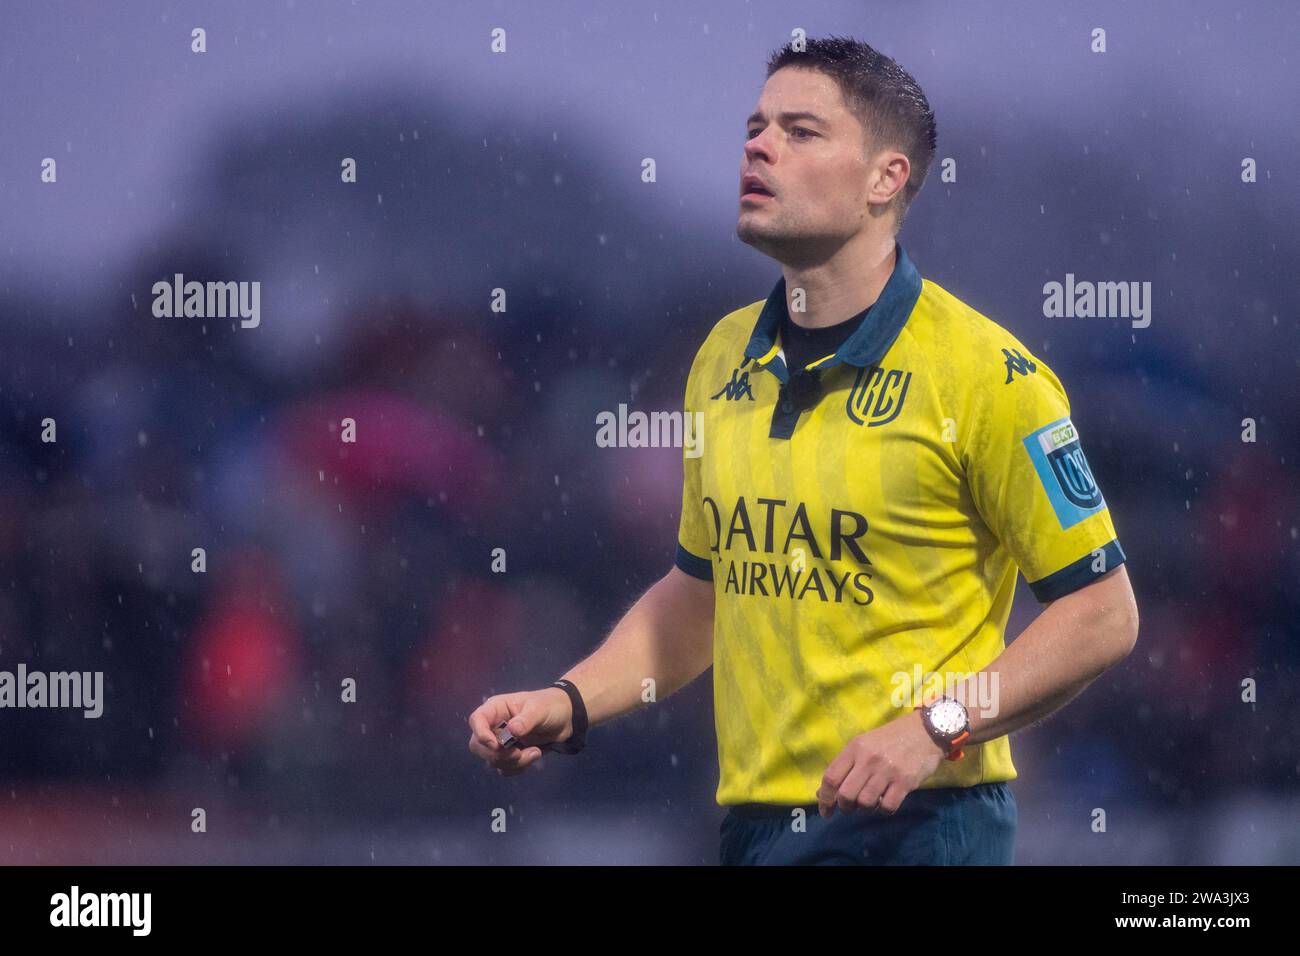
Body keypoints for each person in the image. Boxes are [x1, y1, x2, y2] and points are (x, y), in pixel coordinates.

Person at [468, 35, 1139, 865]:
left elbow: (1104, 613)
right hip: (755, 829)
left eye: (801, 130)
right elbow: (703, 592)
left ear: (885, 179)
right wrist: (570, 699)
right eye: (756, 126)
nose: (758, 144)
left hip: (919, 826)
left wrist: (938, 728)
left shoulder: (988, 377)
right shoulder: (721, 358)